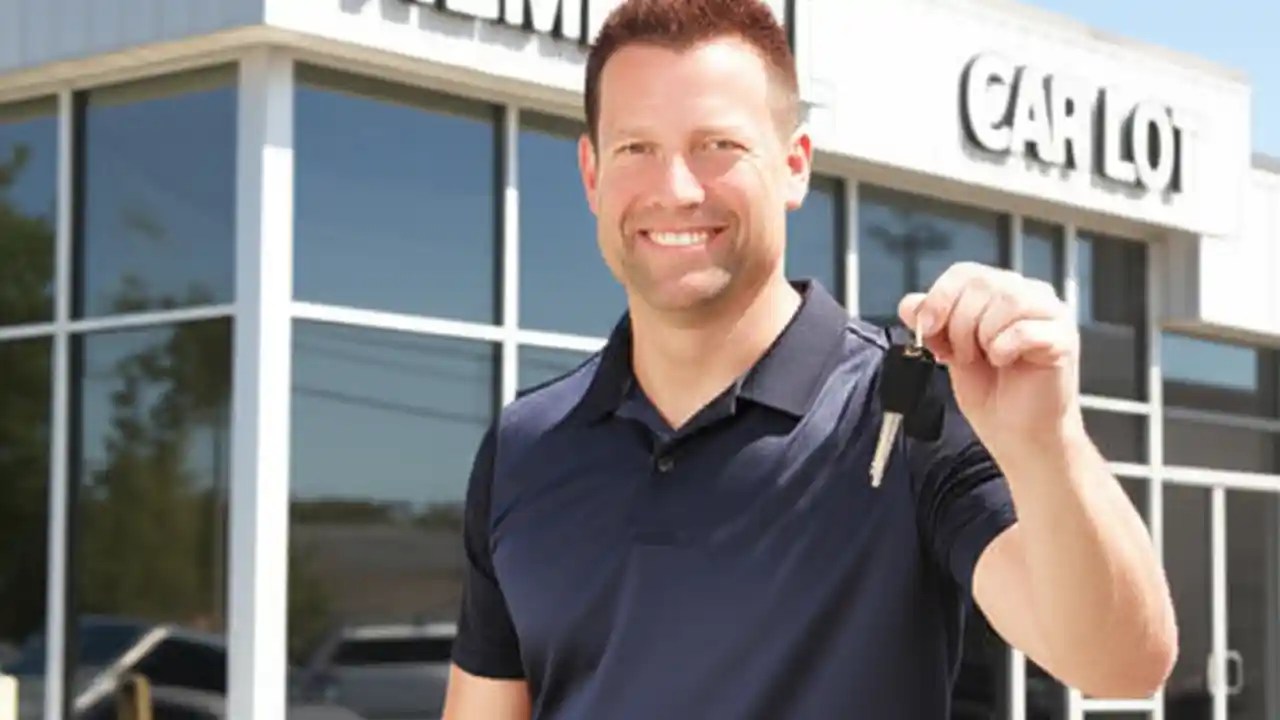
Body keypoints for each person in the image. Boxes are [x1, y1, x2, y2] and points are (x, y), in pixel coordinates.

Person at [441, 0, 1178, 717]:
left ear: (794, 166)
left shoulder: (907, 411)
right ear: (592, 173)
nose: (676, 188)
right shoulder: (526, 447)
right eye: (638, 148)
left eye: (717, 145)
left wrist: (1047, 444)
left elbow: (1120, 663)